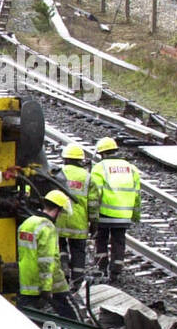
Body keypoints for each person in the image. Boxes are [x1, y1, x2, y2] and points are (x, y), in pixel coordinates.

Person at [88, 136, 141, 283]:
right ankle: (116, 271)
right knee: (119, 241)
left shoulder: (99, 168)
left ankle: (101, 268)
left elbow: (94, 194)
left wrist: (92, 216)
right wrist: (135, 215)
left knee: (101, 240)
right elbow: (137, 195)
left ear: (102, 154)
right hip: (124, 214)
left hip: (105, 213)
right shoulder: (131, 168)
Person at [18, 190, 75, 317]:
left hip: (27, 279)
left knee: (26, 315)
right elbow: (46, 261)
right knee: (68, 312)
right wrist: (46, 287)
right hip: (48, 280)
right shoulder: (48, 228)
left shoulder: (28, 223)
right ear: (57, 210)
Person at [57, 142, 90, 287]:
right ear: (80, 160)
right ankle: (77, 280)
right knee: (78, 250)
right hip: (79, 221)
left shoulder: (58, 173)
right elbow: (94, 202)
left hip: (60, 219)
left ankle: (63, 268)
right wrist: (94, 222)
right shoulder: (87, 177)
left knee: (60, 245)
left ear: (65, 159)